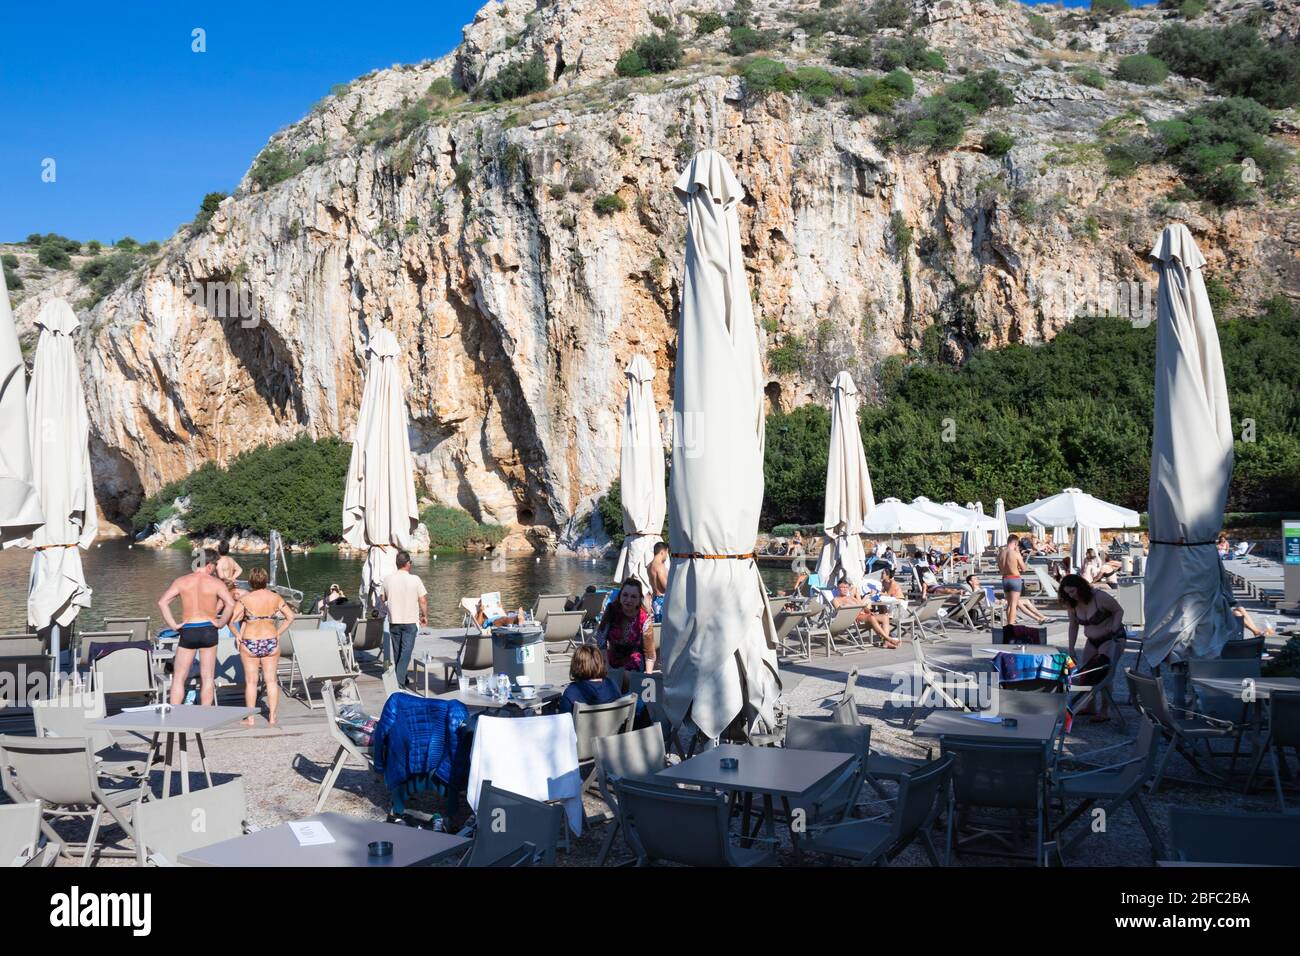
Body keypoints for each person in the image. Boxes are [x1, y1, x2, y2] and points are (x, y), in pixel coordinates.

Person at [158, 549, 238, 706]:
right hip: (209, 629)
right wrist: (221, 623)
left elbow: (162, 602)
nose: (215, 569)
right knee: (207, 677)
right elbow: (230, 603)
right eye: (215, 565)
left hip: (189, 629)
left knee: (179, 676)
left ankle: (175, 714)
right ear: (208, 565)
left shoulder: (182, 581)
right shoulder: (216, 583)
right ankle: (205, 715)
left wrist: (174, 625)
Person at [229, 566, 295, 725]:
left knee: (251, 682)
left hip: (250, 641)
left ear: (250, 582)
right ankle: (272, 717)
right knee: (271, 680)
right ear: (265, 580)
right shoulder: (275, 597)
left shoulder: (245, 600)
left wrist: (238, 635)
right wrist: (278, 632)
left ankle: (250, 718)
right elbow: (290, 617)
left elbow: (230, 621)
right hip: (271, 641)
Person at [1060, 574, 1125, 721]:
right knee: (1088, 672)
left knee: (1105, 673)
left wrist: (1114, 626)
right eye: (1067, 593)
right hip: (1092, 640)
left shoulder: (1099, 597)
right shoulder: (1073, 604)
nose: (1071, 595)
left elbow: (1118, 610)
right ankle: (1089, 706)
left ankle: (1104, 710)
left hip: (1111, 638)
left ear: (1080, 587)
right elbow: (1073, 626)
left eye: (1073, 591)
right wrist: (1071, 649)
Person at [381, 551, 428, 689]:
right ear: (408, 563)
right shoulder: (415, 579)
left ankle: (402, 677)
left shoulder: (388, 579)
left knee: (398, 651)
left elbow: (382, 598)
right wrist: (424, 616)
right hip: (409, 620)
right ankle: (398, 681)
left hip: (394, 620)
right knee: (406, 651)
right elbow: (423, 600)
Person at [595, 577, 655, 672]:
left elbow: (649, 654)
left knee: (626, 674)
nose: (628, 600)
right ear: (620, 596)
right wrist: (606, 669)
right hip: (610, 657)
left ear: (640, 599)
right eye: (625, 595)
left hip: (634, 660)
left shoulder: (644, 619)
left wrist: (647, 677)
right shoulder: (611, 610)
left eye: (633, 597)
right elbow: (601, 640)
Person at [831, 580, 897, 649]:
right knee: (871, 618)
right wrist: (851, 608)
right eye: (842, 587)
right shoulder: (836, 600)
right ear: (838, 588)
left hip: (863, 614)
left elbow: (862, 607)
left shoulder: (852, 598)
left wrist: (869, 611)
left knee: (885, 617)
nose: (845, 589)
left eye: (846, 587)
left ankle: (886, 643)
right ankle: (888, 639)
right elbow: (840, 612)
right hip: (853, 617)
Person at [556, 646, 624, 714]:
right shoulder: (612, 686)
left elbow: (564, 721)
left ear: (576, 665)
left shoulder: (572, 692)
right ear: (600, 663)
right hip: (612, 724)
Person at [998, 534, 1029, 626]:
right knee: (1013, 605)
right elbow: (1024, 568)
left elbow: (1000, 569)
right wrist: (1019, 555)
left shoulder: (1000, 553)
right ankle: (1010, 626)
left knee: (1009, 604)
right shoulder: (1015, 553)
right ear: (1015, 542)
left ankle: (1008, 624)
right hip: (1014, 579)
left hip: (1005, 579)